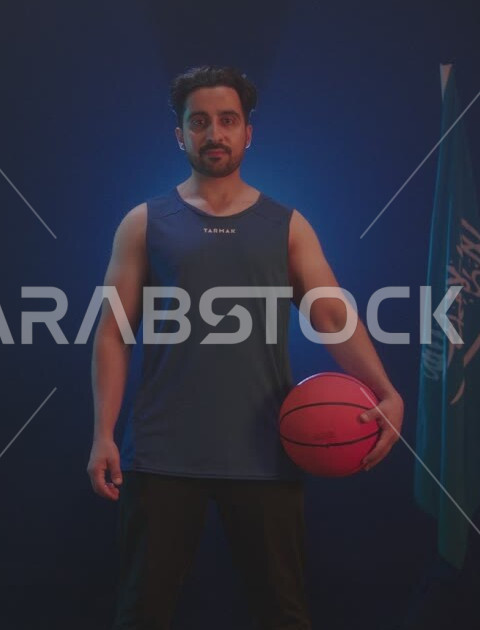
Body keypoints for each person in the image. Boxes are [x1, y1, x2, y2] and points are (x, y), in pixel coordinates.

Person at [87, 65, 404, 630]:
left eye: (228, 120)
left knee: (284, 614)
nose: (214, 133)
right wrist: (103, 433)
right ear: (179, 134)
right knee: (141, 613)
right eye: (199, 122)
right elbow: (113, 331)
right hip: (162, 451)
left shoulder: (287, 225)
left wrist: (386, 392)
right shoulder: (144, 223)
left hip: (266, 450)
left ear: (248, 132)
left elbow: (331, 315)